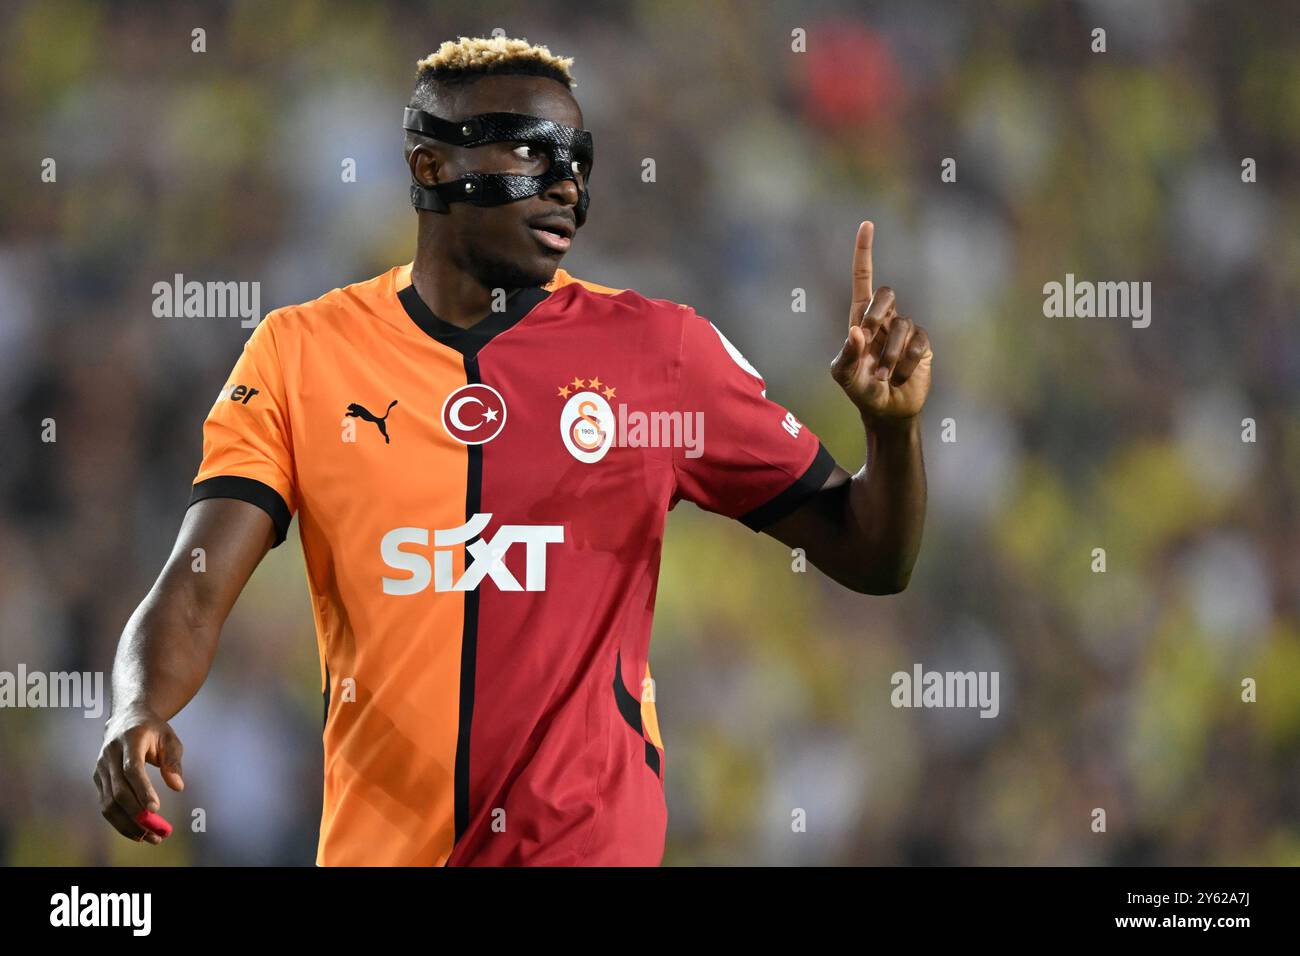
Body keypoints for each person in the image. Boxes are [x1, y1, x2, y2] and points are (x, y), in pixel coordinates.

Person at [94, 35, 932, 865]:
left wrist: (891, 431)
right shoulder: (301, 354)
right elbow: (195, 587)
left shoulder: (660, 354)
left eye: (579, 161)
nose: (566, 184)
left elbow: (870, 554)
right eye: (533, 154)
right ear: (431, 168)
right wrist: (137, 706)